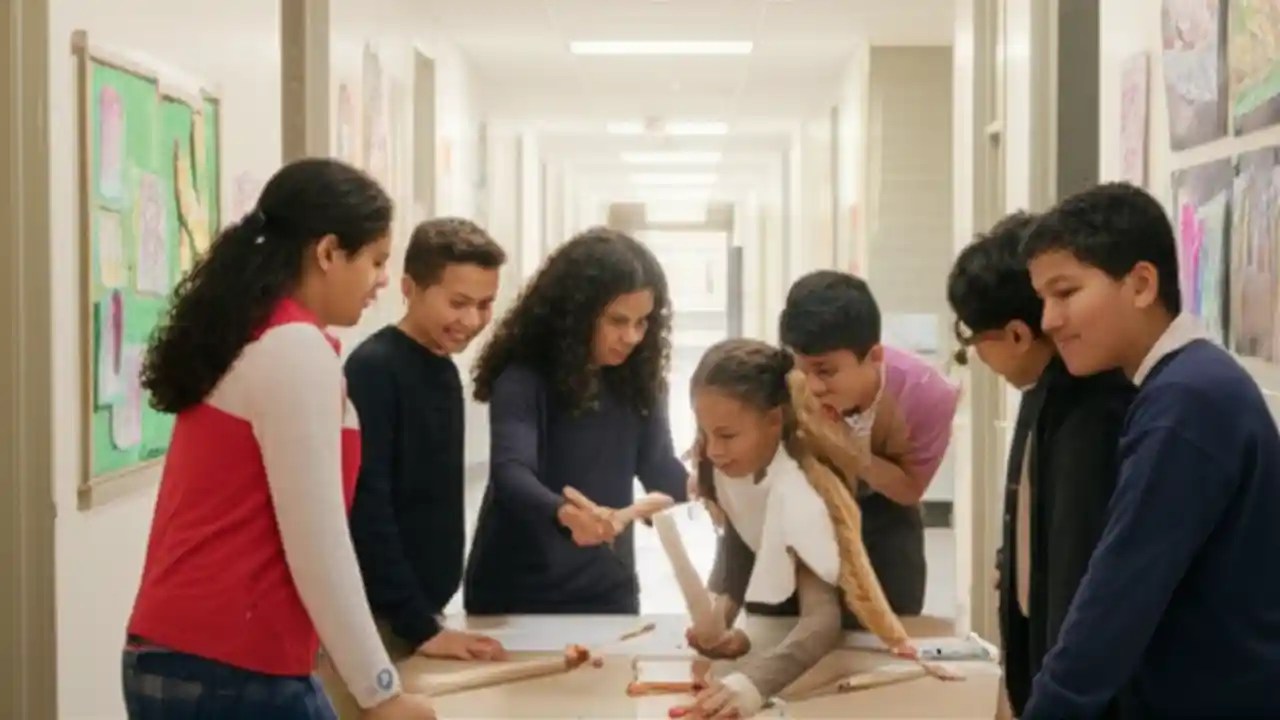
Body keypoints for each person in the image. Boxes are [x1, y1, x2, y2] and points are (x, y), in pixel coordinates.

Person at [123, 158, 435, 719]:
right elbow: (319, 543)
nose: (382, 280)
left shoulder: (255, 335)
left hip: (189, 655)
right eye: (376, 261)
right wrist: (381, 691)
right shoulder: (293, 351)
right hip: (228, 666)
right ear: (327, 252)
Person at [1019, 182, 1280, 718]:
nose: (1048, 320)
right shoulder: (1182, 386)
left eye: (1065, 293)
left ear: (1140, 284)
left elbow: (1119, 593)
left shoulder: (1185, 403)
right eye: (1043, 299)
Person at [947, 211, 1134, 718]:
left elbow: (1078, 582)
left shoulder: (1091, 412)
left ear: (1014, 335)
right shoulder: (1049, 393)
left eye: (973, 343)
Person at [318, 219, 508, 718]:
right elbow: (366, 506)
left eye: (484, 305)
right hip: (375, 621)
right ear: (409, 289)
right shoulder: (374, 369)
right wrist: (418, 625)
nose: (471, 319)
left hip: (417, 615)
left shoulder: (442, 370)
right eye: (457, 302)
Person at [673, 338, 919, 719]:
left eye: (726, 435)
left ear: (774, 421)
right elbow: (742, 537)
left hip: (856, 625)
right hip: (801, 630)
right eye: (705, 434)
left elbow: (822, 623)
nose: (713, 450)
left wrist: (750, 685)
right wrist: (720, 621)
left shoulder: (802, 495)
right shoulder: (726, 464)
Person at [463, 226, 689, 615]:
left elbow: (659, 471)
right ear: (576, 315)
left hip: (607, 588)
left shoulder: (642, 382)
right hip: (515, 592)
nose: (632, 337)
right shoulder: (524, 378)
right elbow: (511, 472)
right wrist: (565, 513)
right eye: (617, 321)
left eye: (642, 322)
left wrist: (717, 481)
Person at [777, 270, 960, 617]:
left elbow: (909, 489)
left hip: (887, 512)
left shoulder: (926, 396)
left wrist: (852, 454)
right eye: (804, 370)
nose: (813, 387)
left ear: (874, 356)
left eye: (826, 371)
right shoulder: (785, 378)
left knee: (891, 627)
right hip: (805, 506)